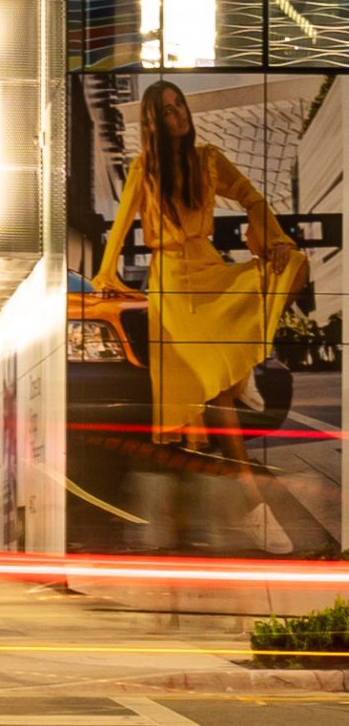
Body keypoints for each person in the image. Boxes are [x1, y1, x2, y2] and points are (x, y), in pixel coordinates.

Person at [93, 78, 307, 551]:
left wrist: (268, 237)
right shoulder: (144, 169)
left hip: (208, 268)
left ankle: (239, 365)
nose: (178, 116)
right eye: (167, 111)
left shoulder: (208, 160)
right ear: (154, 122)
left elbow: (252, 197)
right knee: (211, 403)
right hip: (170, 282)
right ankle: (252, 506)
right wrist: (106, 273)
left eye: (180, 106)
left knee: (291, 264)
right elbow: (121, 223)